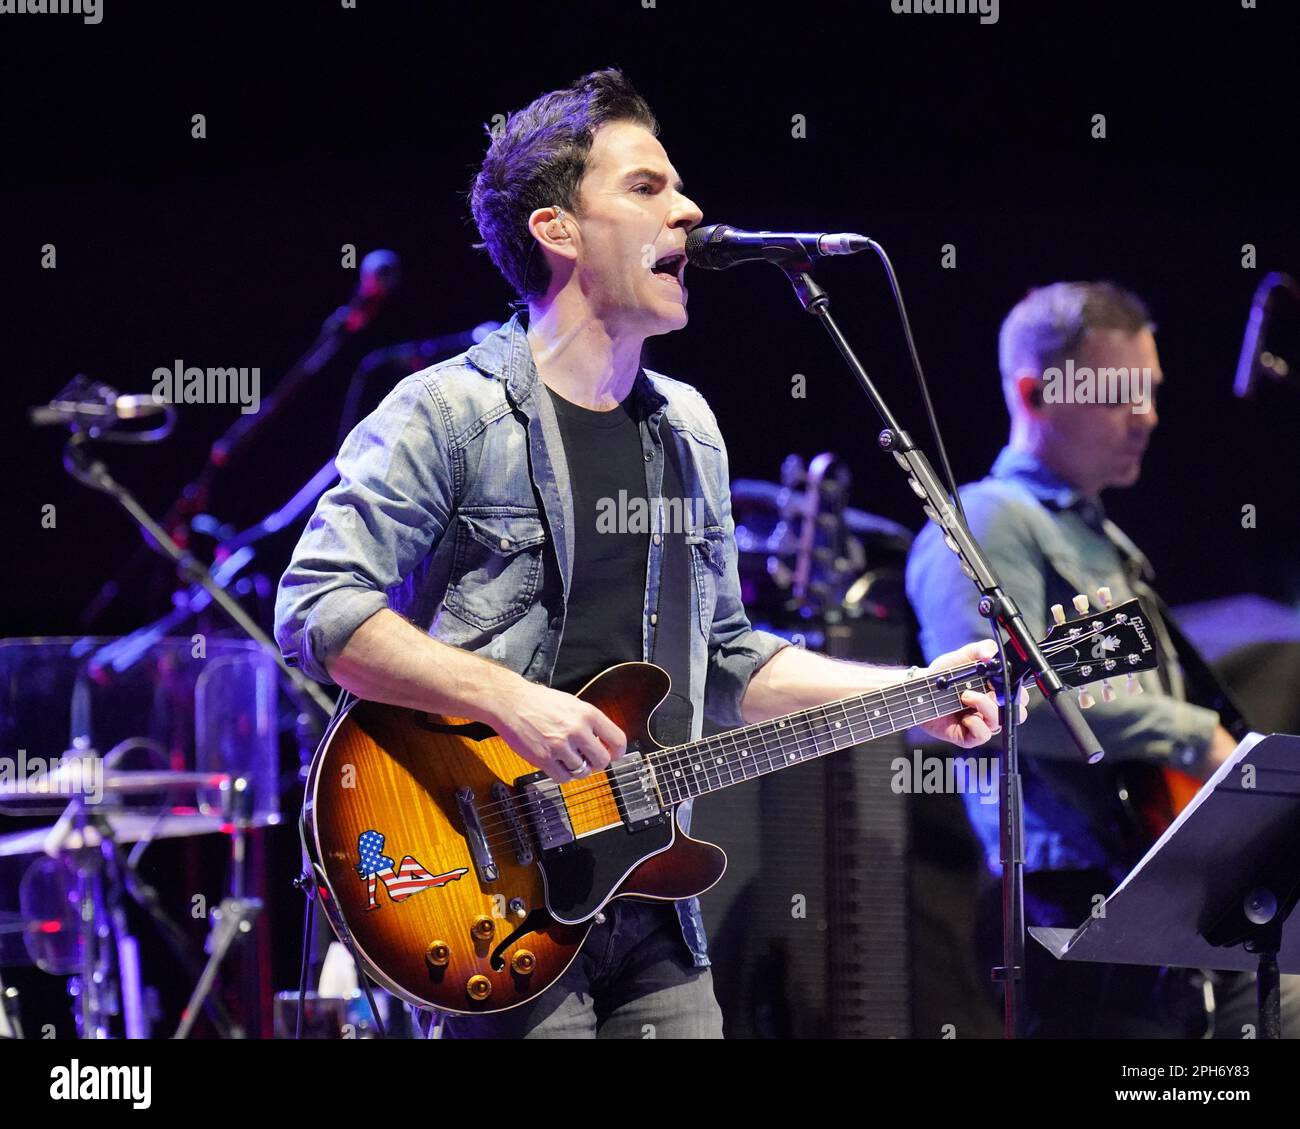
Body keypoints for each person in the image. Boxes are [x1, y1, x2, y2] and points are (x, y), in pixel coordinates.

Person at [275, 67, 1000, 1039]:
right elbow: (315, 611)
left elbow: (732, 658)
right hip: (484, 897)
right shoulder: (447, 413)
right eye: (646, 187)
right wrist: (507, 698)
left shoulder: (688, 428)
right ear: (557, 230)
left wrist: (911, 692)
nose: (690, 209)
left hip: (651, 909)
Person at [907, 280, 1299, 1037]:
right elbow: (994, 710)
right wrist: (1189, 732)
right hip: (1070, 897)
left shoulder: (1108, 540)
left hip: (1155, 885)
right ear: (1035, 392)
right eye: (1120, 393)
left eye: (1150, 393)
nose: (1146, 417)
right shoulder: (989, 518)